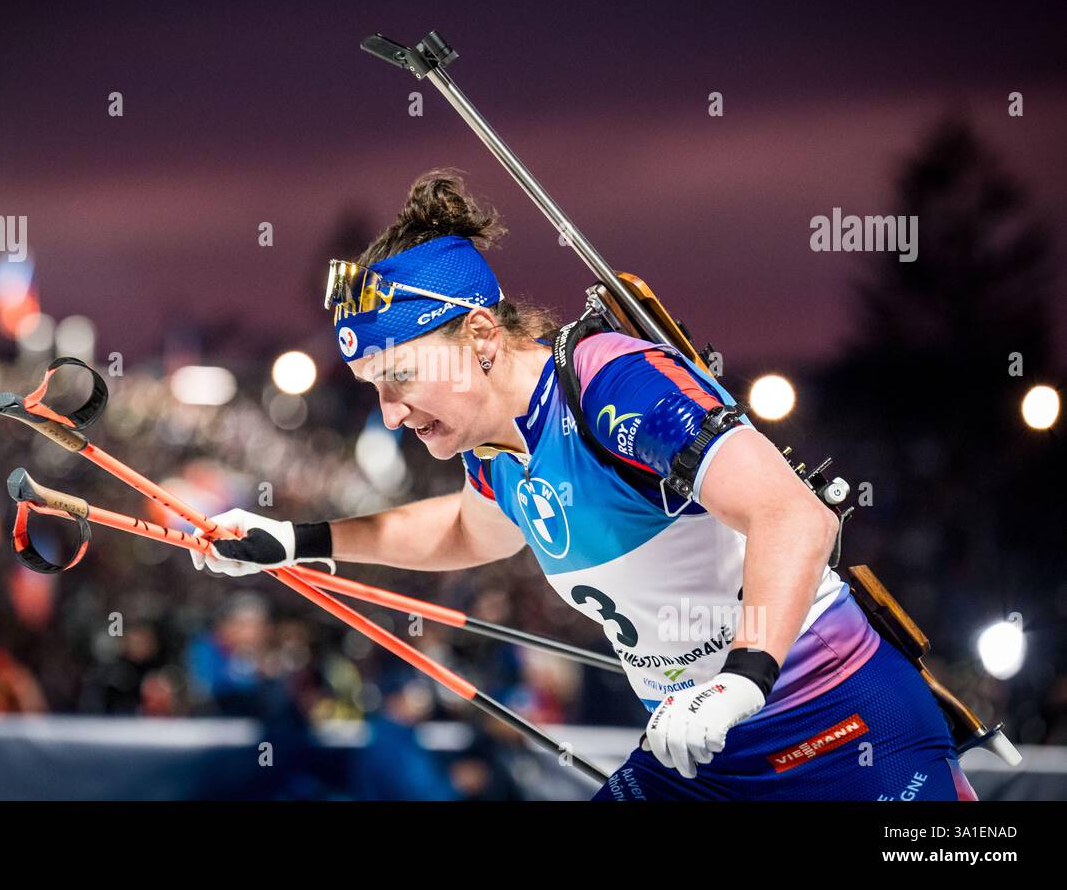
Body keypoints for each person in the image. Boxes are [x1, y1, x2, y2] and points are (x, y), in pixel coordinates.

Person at [192, 169, 978, 801]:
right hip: (702, 751)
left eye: (400, 376)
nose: (391, 413)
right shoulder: (496, 444)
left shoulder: (606, 385)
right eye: (372, 385)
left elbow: (794, 515)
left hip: (834, 726)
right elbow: (468, 532)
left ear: (480, 335)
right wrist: (295, 544)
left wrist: (741, 681)